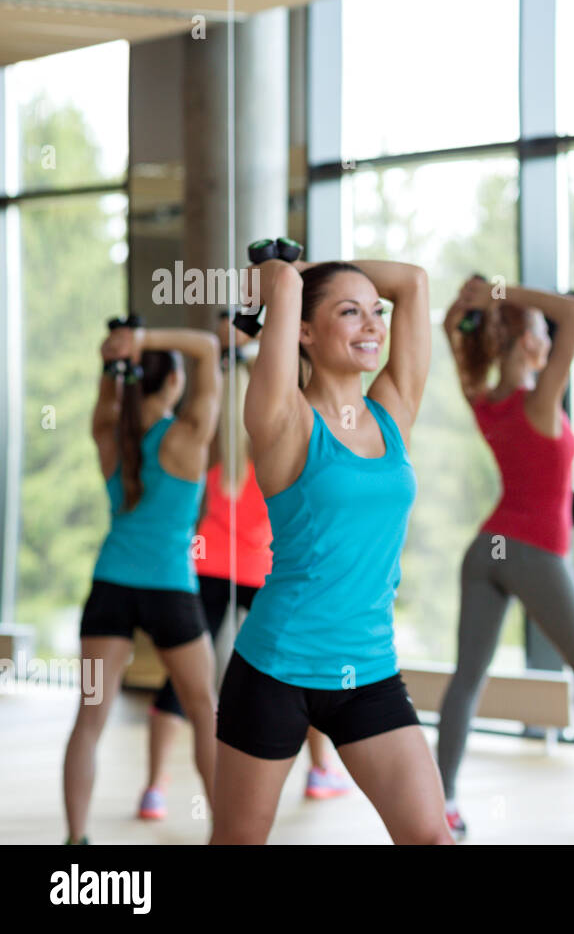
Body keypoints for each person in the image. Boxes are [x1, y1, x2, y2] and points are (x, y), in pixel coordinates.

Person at [209, 256, 454, 845]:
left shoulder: (391, 410)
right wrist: (288, 276)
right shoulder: (284, 417)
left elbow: (414, 281)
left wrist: (327, 269)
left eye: (376, 313)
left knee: (432, 837)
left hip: (368, 669)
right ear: (304, 330)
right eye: (349, 312)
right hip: (276, 669)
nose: (372, 325)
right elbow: (285, 282)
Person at [439, 277, 574, 839]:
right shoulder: (540, 399)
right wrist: (501, 295)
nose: (549, 335)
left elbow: (454, 327)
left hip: (487, 551)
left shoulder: (483, 399)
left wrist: (476, 306)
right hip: (534, 552)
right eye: (539, 330)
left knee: (466, 678)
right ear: (526, 341)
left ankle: (442, 802)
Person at [136, 320, 347, 822]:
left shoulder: (207, 441)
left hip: (207, 566)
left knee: (182, 682)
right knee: (306, 666)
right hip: (264, 570)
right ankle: (320, 770)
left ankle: (153, 788)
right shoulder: (274, 437)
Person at [66, 321, 223, 844]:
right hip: (170, 592)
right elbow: (208, 348)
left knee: (89, 717)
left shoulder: (108, 428)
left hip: (109, 587)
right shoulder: (188, 434)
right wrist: (146, 340)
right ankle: (225, 835)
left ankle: (76, 839)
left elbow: (111, 391)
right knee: (203, 710)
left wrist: (114, 360)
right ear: (173, 382)